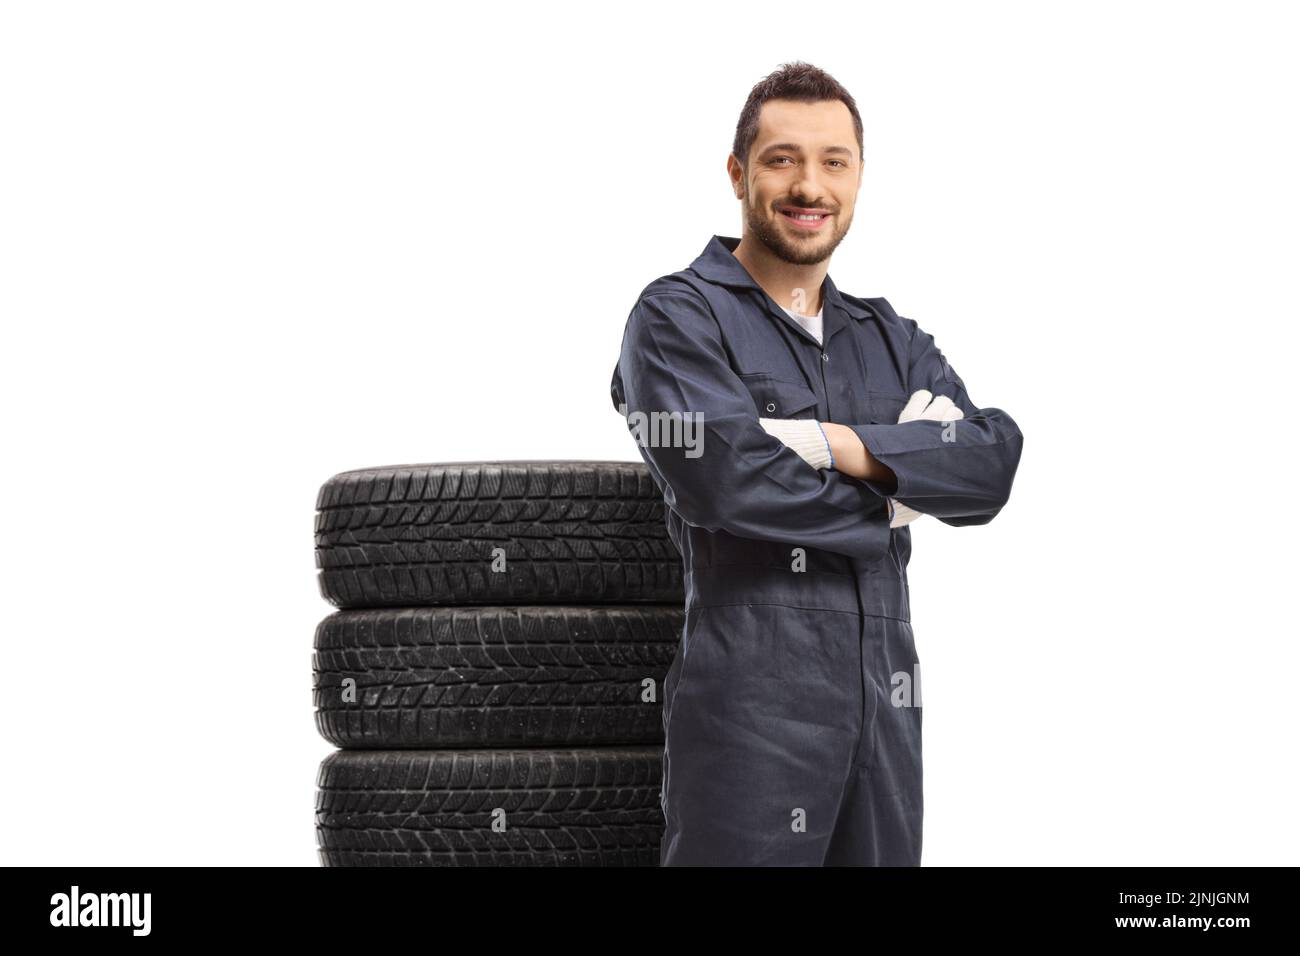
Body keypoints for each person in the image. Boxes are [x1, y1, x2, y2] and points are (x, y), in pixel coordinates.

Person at [609, 61, 1023, 866]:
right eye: (781, 158)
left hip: (887, 714)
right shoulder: (677, 317)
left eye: (834, 161)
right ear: (738, 173)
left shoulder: (890, 336)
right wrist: (904, 490)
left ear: (859, 177)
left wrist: (840, 446)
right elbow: (723, 480)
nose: (810, 185)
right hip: (750, 719)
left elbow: (992, 461)